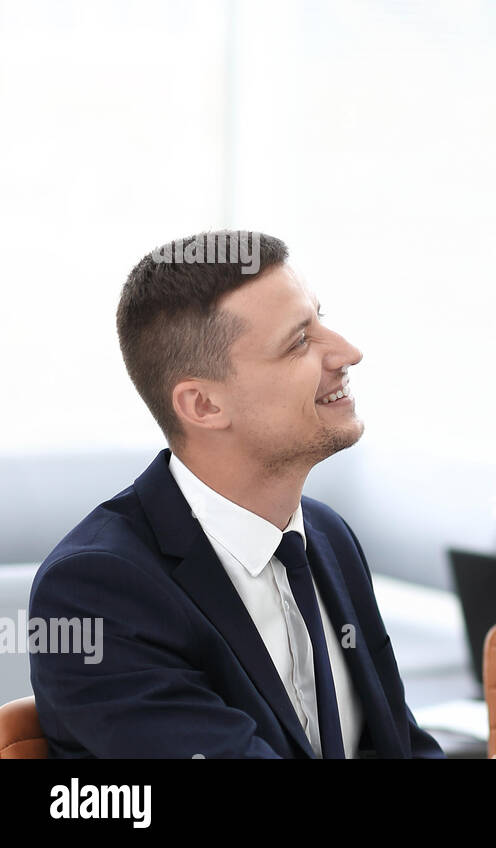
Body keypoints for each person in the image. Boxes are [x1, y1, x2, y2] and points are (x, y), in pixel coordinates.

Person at [27, 230, 443, 758]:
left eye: (321, 318)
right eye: (298, 341)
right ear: (202, 406)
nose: (347, 351)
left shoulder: (327, 537)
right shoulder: (95, 593)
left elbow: (402, 746)